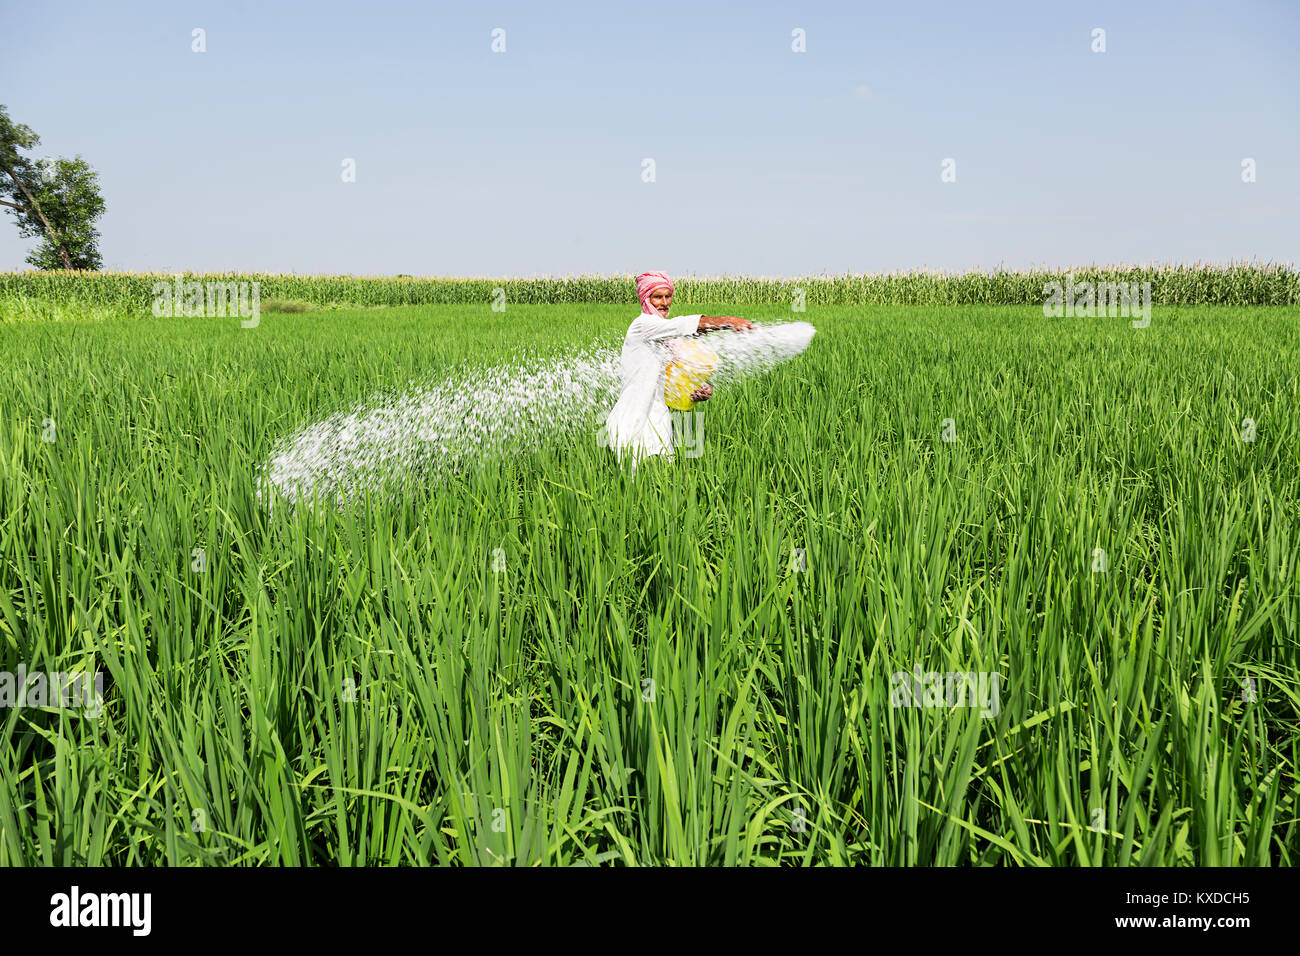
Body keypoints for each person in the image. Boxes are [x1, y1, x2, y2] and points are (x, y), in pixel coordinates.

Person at [604, 271, 753, 469]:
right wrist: (730, 321)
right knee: (630, 488)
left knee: (665, 483)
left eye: (668, 296)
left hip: (658, 421)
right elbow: (685, 325)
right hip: (632, 422)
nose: (664, 302)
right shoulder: (643, 325)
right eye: (657, 297)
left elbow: (674, 378)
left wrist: (697, 391)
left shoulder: (665, 337)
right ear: (645, 298)